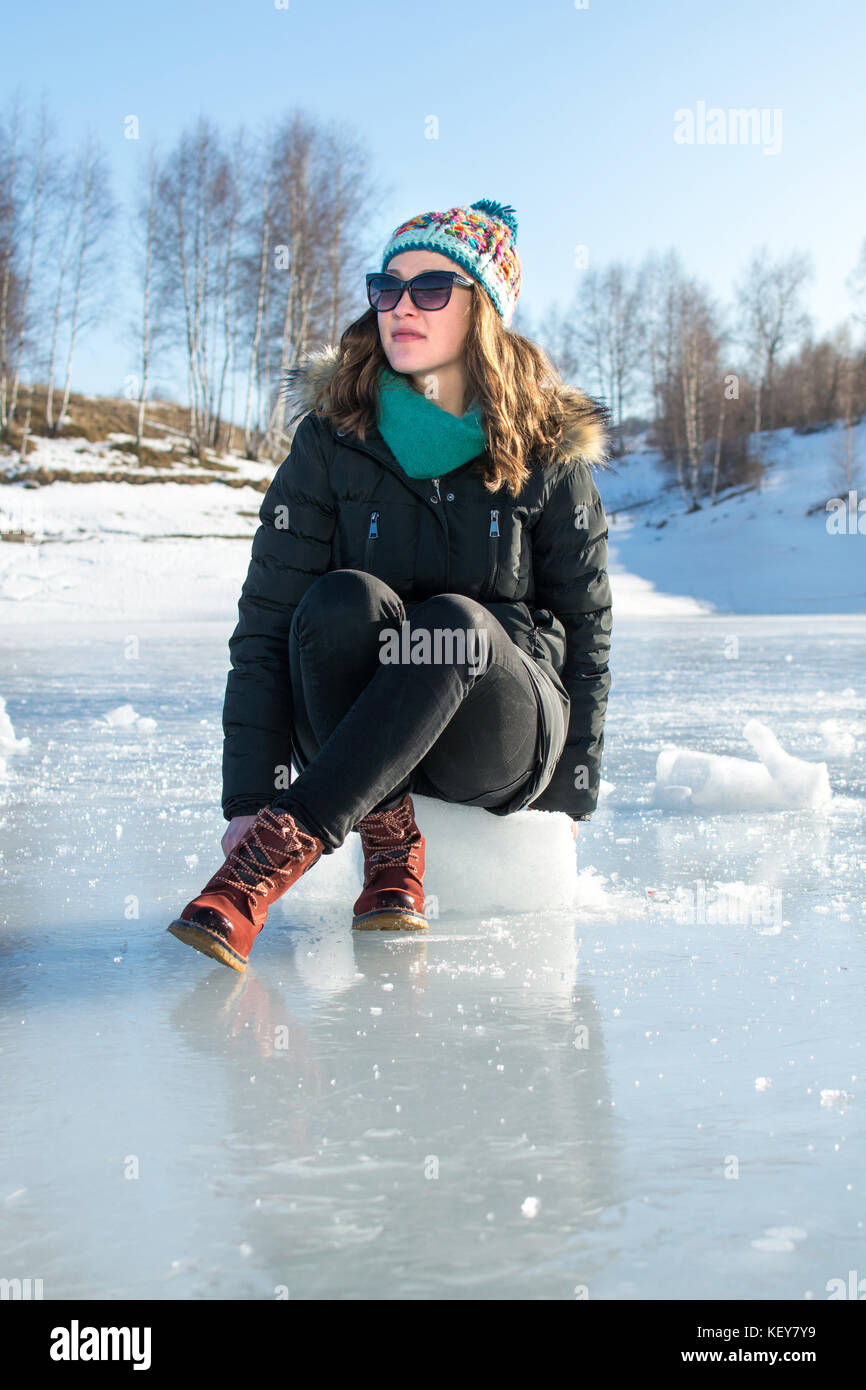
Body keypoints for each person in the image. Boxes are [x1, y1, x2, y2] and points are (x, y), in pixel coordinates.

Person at [167, 197, 613, 973]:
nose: (400, 306)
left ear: (484, 311)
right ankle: (387, 841)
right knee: (340, 602)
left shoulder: (545, 446)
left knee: (456, 623)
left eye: (431, 288)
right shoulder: (330, 439)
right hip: (354, 723)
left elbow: (587, 625)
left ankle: (261, 873)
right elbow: (268, 623)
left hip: (498, 733)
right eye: (387, 286)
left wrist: (569, 794)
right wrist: (247, 794)